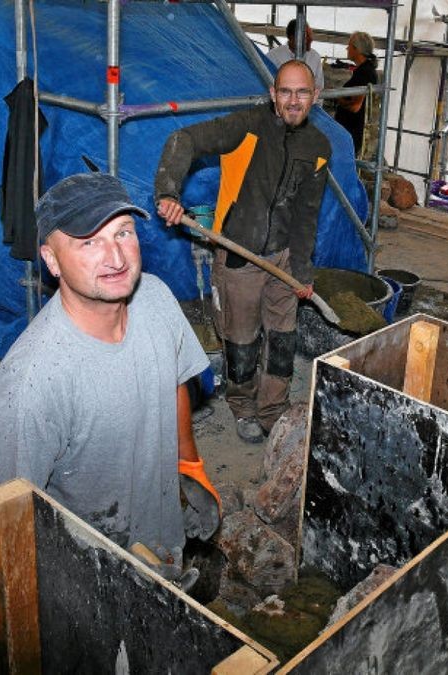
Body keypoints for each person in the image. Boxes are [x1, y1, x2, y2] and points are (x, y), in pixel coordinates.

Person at [0, 172, 219, 572]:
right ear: (51, 260)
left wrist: (188, 464)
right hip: (92, 573)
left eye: (123, 233)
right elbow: (11, 521)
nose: (116, 258)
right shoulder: (30, 385)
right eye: (89, 242)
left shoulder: (156, 298)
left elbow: (174, 382)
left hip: (163, 541)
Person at [155, 60, 331, 444]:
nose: (293, 100)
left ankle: (273, 409)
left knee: (283, 342)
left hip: (284, 260)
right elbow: (184, 139)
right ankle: (243, 407)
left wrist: (301, 270)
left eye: (302, 92)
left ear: (315, 95)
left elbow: (307, 215)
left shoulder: (318, 147)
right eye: (285, 91)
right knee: (241, 342)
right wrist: (168, 192)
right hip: (240, 258)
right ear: (273, 94)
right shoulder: (247, 126)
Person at [334, 31, 379, 156]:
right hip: (350, 133)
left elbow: (355, 106)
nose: (347, 48)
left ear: (356, 49)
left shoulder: (365, 72)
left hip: (351, 133)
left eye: (349, 46)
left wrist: (337, 99)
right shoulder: (364, 70)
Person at [266, 19, 324, 92]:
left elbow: (319, 87)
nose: (311, 39)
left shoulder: (315, 57)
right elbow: (265, 84)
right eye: (307, 36)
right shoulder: (273, 57)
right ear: (292, 38)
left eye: (310, 35)